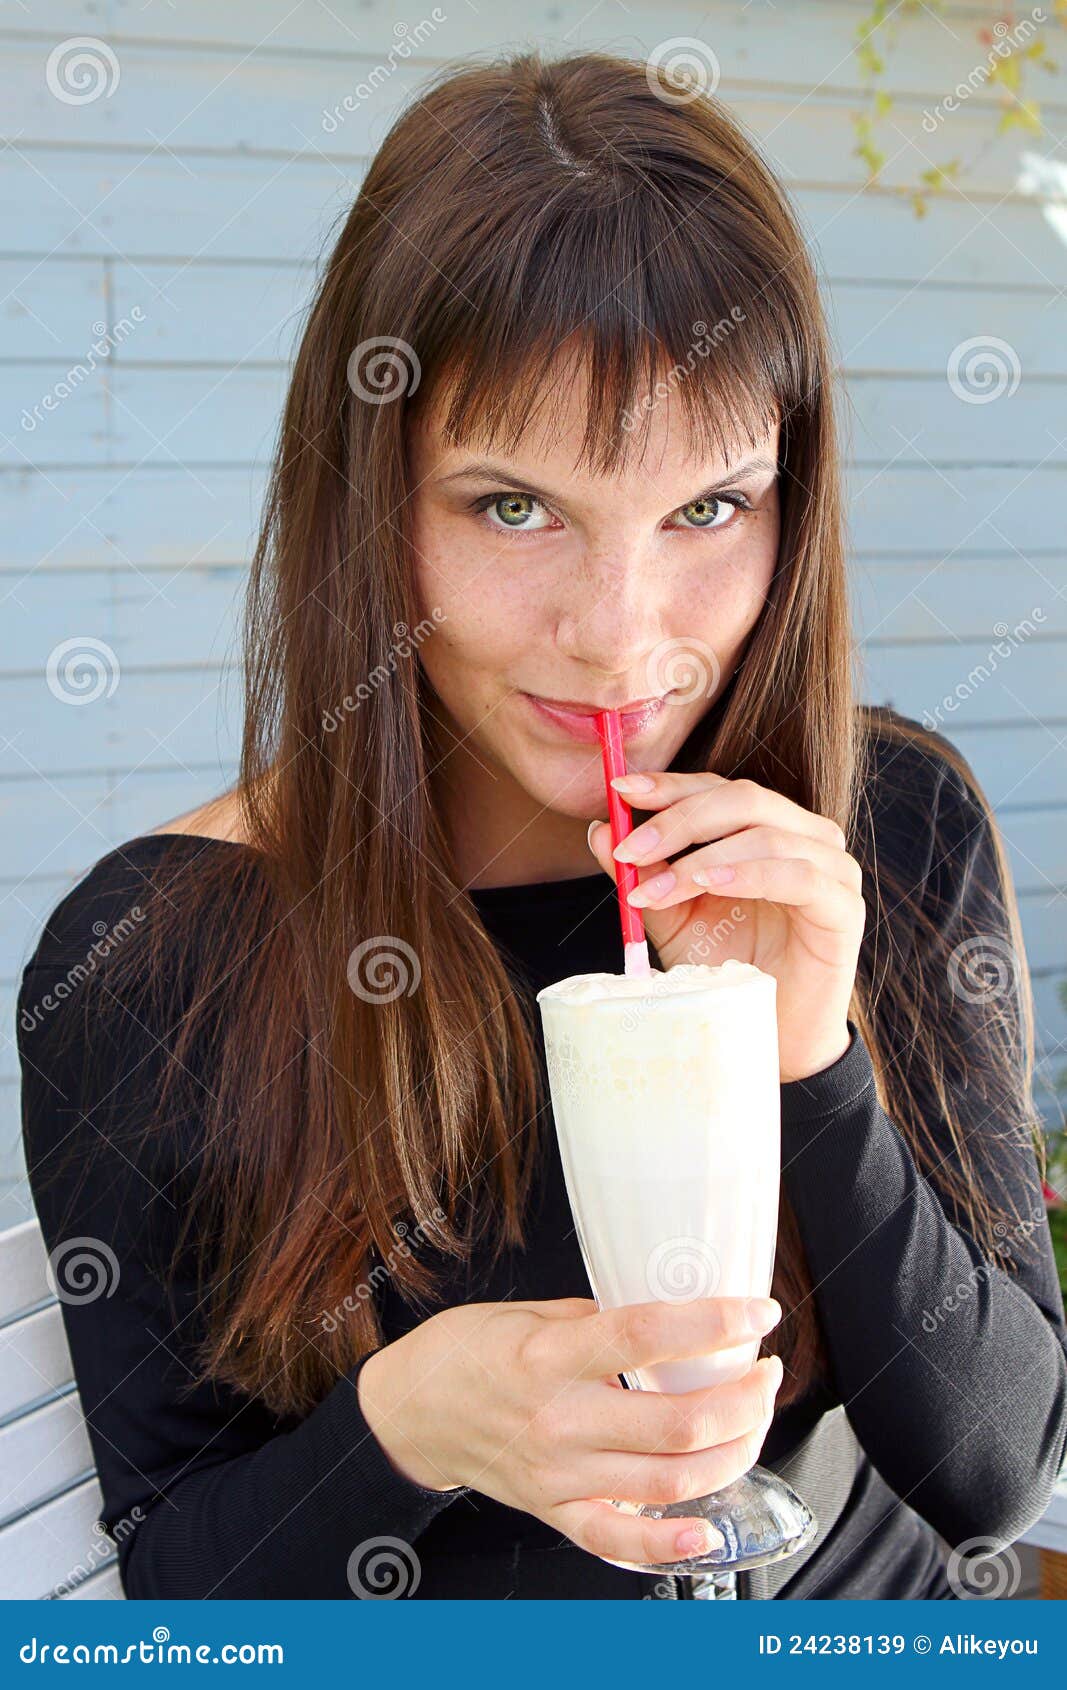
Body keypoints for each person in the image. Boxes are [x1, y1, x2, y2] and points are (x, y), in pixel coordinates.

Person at [18, 48, 1067, 1601]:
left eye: (708, 507)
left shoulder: (879, 825)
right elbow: (183, 1588)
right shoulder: (154, 960)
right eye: (514, 507)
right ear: (372, 495)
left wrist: (815, 1059)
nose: (621, 634)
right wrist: (410, 1423)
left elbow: (994, 1477)